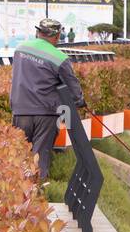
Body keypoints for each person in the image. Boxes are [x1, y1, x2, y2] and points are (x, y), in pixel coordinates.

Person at [10, 18, 86, 183]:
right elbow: (74, 90)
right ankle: (36, 196)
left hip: (20, 110)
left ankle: (17, 196)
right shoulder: (59, 57)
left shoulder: (20, 49)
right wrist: (79, 101)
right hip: (47, 114)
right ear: (57, 36)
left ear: (38, 32)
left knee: (19, 155)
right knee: (40, 156)